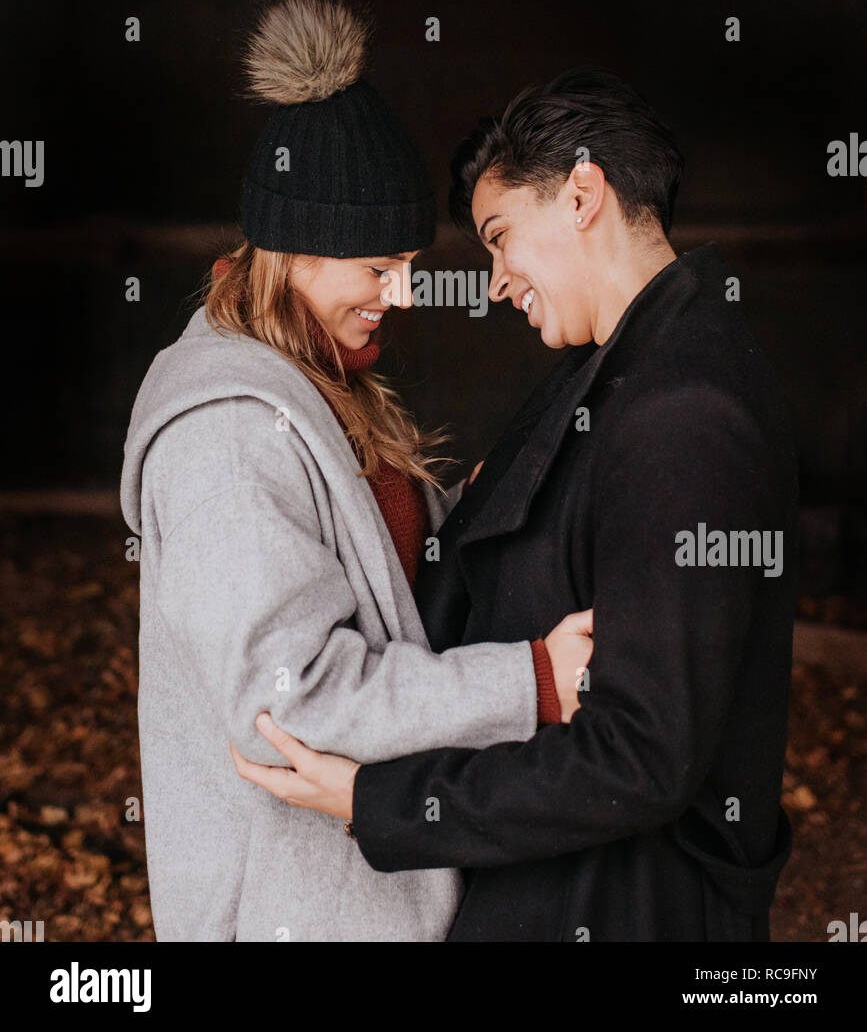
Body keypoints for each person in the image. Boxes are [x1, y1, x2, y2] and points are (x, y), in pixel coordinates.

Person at [232, 67, 799, 942]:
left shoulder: (685, 413)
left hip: (626, 910)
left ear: (581, 194)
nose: (495, 282)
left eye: (499, 238)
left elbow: (642, 756)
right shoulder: (616, 378)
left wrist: (376, 800)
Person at [119, 0, 589, 942]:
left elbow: (374, 583)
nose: (402, 293)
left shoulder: (313, 385)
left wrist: (483, 500)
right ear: (293, 255)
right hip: (293, 909)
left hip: (354, 889)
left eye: (409, 262)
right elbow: (294, 694)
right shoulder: (226, 437)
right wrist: (530, 684)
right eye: (378, 266)